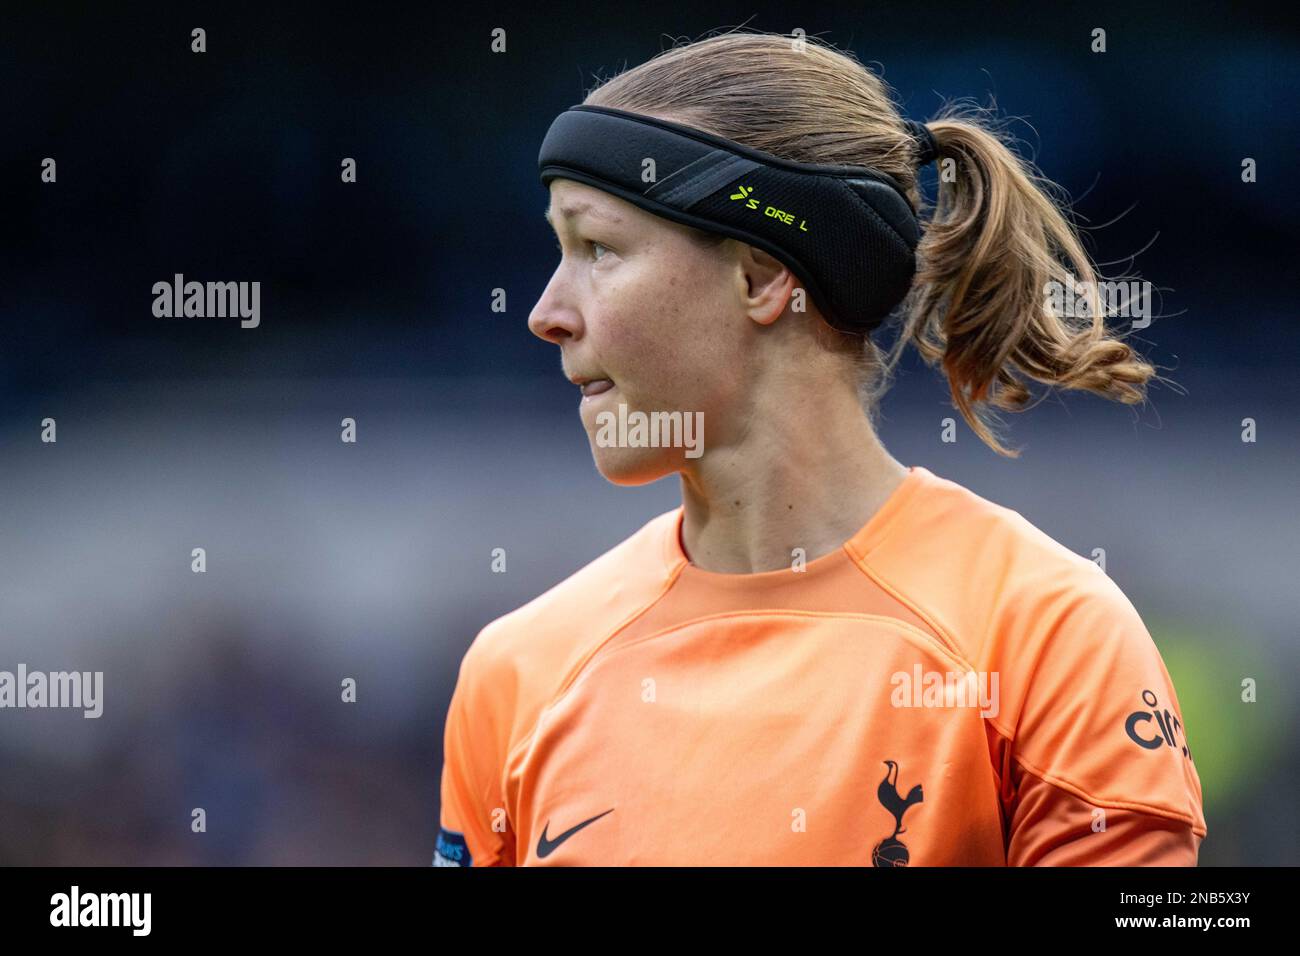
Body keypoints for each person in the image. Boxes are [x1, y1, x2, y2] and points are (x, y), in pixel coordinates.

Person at [435, 30, 1205, 866]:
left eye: (598, 249)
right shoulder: (515, 674)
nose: (546, 312)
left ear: (763, 277)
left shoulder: (1046, 636)